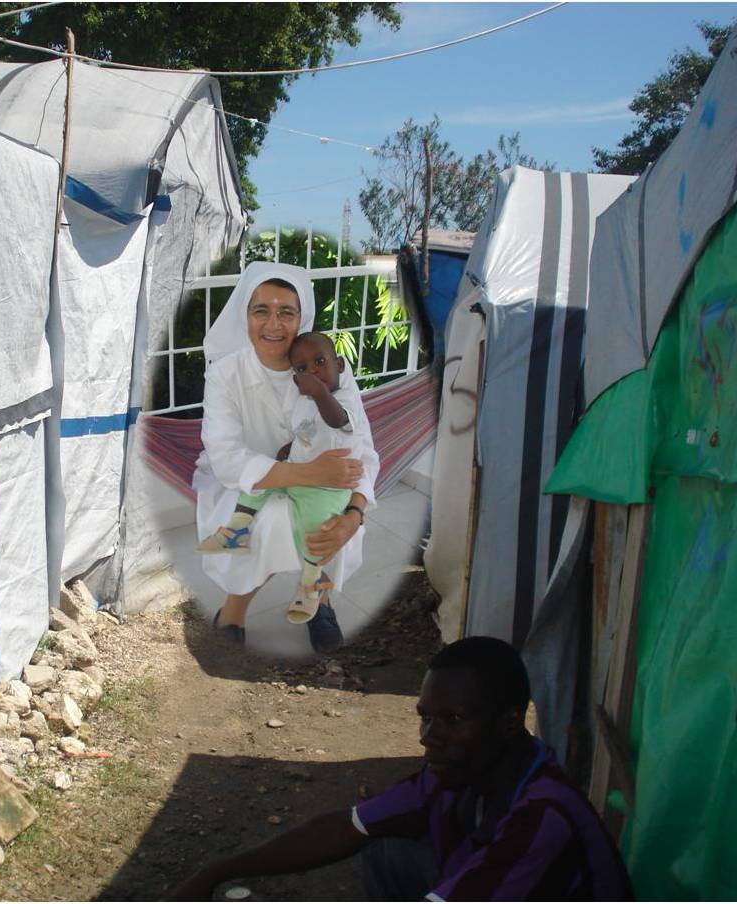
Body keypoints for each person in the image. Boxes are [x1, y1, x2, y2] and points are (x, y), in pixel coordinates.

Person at [171, 637, 634, 901]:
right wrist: (218, 871)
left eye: (453, 719)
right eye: (425, 717)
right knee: (386, 846)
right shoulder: (456, 772)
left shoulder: (542, 816)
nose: (429, 736)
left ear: (510, 723)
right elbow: (345, 828)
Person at [192, 263, 379, 652]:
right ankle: (233, 611)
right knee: (272, 517)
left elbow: (363, 451)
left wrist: (354, 514)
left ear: (301, 318)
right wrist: (307, 472)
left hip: (321, 486)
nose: (273, 324)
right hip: (242, 485)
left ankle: (318, 597)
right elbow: (227, 458)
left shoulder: (331, 374)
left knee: (330, 525)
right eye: (261, 310)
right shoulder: (226, 375)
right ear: (246, 315)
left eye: (286, 312)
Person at [197, 331, 370, 625]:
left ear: (339, 365)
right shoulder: (228, 374)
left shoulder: (343, 395)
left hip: (327, 490)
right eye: (303, 369)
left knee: (320, 534)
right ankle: (234, 534)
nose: (313, 371)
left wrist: (356, 512)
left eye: (319, 362)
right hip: (292, 473)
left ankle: (314, 588)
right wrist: (289, 451)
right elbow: (306, 429)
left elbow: (338, 420)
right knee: (256, 491)